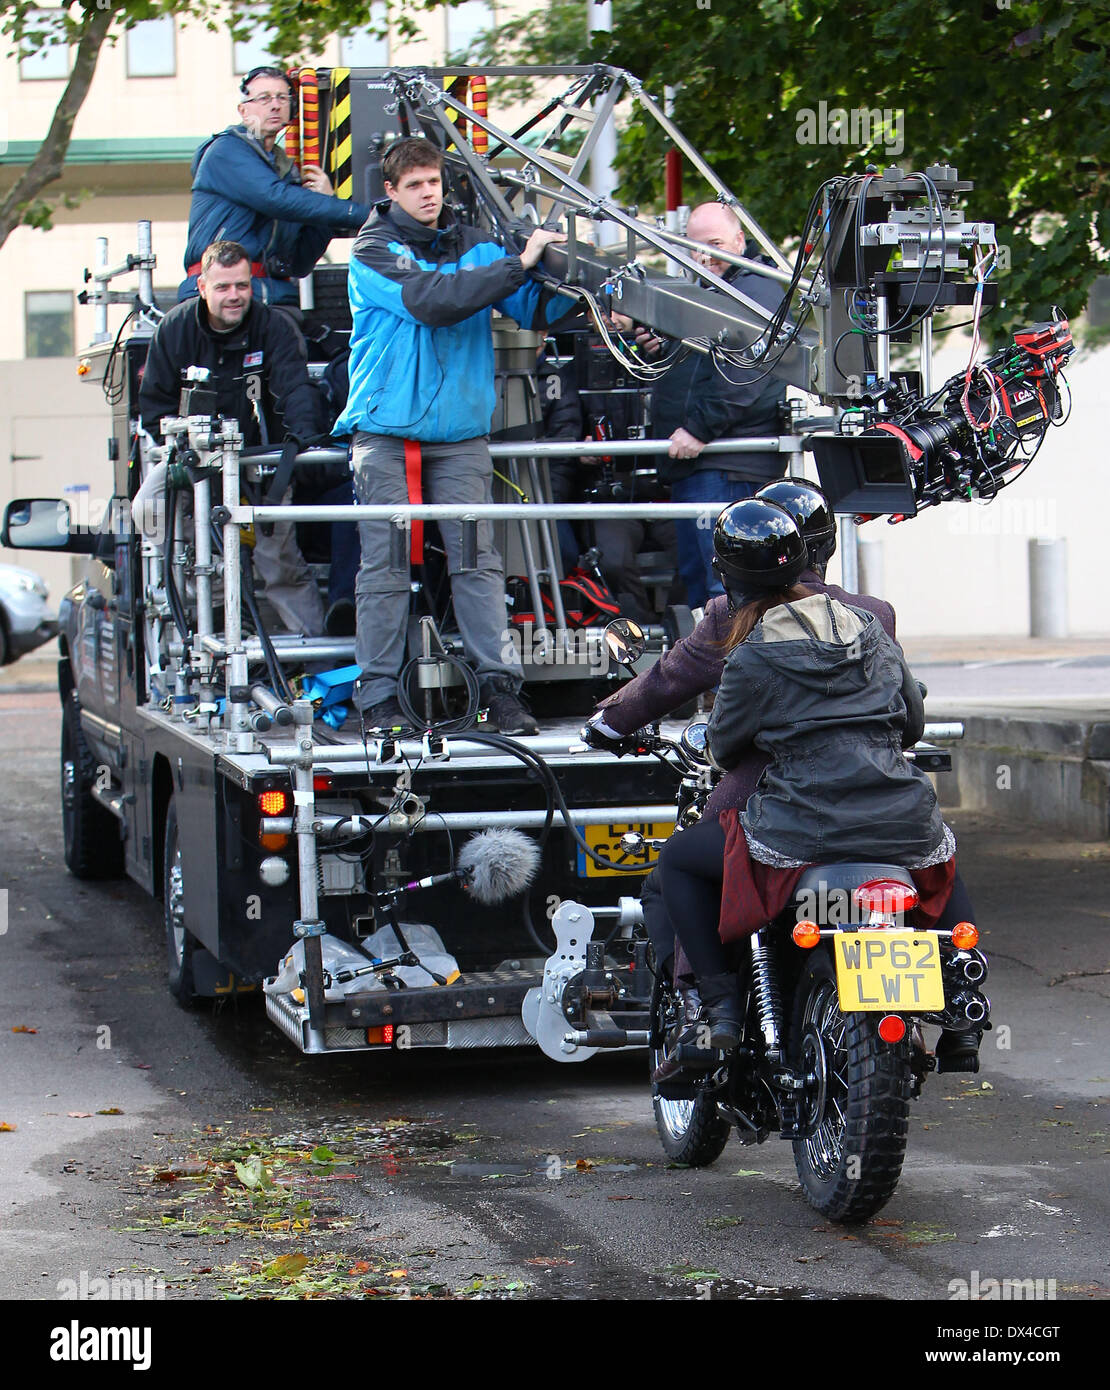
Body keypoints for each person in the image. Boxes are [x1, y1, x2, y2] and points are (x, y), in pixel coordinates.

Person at [585, 483, 980, 1073]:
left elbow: (718, 735)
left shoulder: (742, 638)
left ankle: (712, 1009)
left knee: (678, 866)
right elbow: (908, 721)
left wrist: (609, 724)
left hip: (794, 814)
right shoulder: (873, 622)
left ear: (727, 573)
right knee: (937, 855)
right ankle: (968, 1001)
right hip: (896, 803)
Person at [334, 136, 570, 735]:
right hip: (385, 435)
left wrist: (587, 285)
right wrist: (519, 261)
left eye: (434, 180)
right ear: (390, 192)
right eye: (414, 184)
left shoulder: (479, 246)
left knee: (476, 564)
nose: (428, 191)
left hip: (460, 435)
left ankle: (500, 691)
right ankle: (379, 701)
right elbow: (432, 302)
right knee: (385, 568)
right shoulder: (373, 249)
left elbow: (534, 310)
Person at [138, 240, 325, 637]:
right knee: (164, 529)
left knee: (281, 563)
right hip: (193, 466)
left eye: (242, 285)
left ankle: (315, 663)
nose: (234, 296)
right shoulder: (175, 330)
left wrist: (300, 442)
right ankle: (201, 631)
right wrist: (185, 451)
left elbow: (296, 392)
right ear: (202, 287)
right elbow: (154, 408)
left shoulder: (273, 327)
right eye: (223, 287)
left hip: (260, 465)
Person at [647, 202, 789, 608]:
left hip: (725, 463)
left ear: (739, 242)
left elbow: (744, 375)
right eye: (695, 246)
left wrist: (698, 429)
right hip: (705, 463)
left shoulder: (754, 291)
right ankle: (715, 669)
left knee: (721, 586)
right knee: (703, 583)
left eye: (716, 244)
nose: (706, 255)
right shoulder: (722, 292)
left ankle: (729, 670)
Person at [181, 66, 371, 309]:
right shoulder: (226, 151)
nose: (275, 105)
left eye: (282, 97)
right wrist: (366, 215)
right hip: (220, 299)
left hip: (274, 299)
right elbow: (276, 199)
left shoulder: (285, 174)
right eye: (264, 98)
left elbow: (300, 263)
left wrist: (326, 203)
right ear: (243, 110)